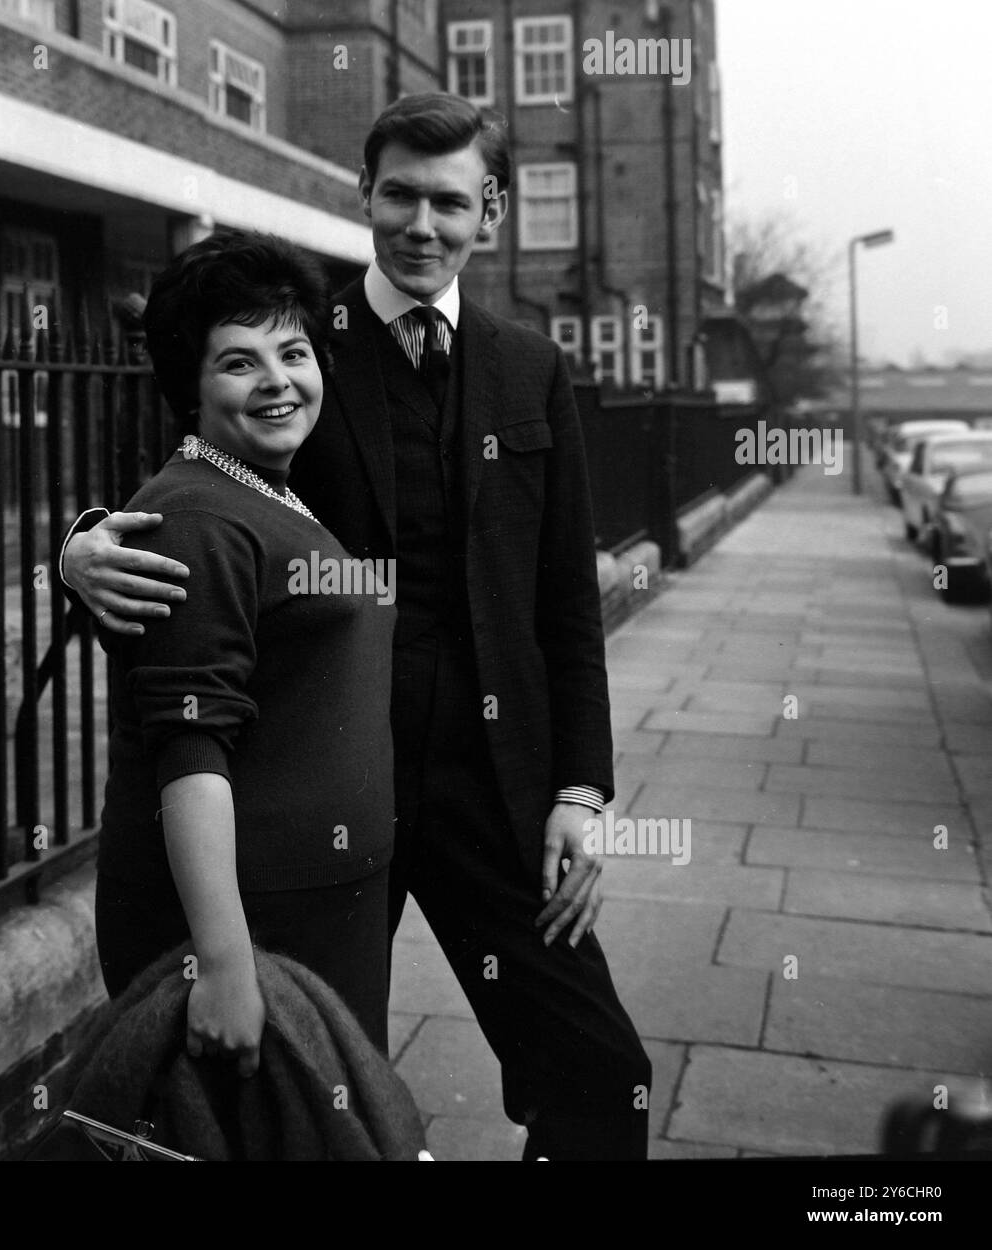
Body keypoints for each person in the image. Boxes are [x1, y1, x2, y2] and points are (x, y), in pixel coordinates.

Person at [62, 93, 651, 1160]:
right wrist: (83, 538)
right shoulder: (298, 346)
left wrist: (580, 787)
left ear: (493, 211)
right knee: (309, 1092)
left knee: (600, 1075)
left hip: (493, 787)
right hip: (326, 797)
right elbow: (193, 490)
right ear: (364, 195)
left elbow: (566, 595)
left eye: (448, 201)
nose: (419, 225)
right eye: (396, 196)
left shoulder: (530, 367)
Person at [91, 228, 396, 1076]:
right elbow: (190, 745)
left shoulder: (267, 490)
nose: (277, 380)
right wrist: (221, 965)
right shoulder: (198, 516)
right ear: (189, 386)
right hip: (253, 926)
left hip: (320, 909)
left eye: (293, 351)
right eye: (238, 361)